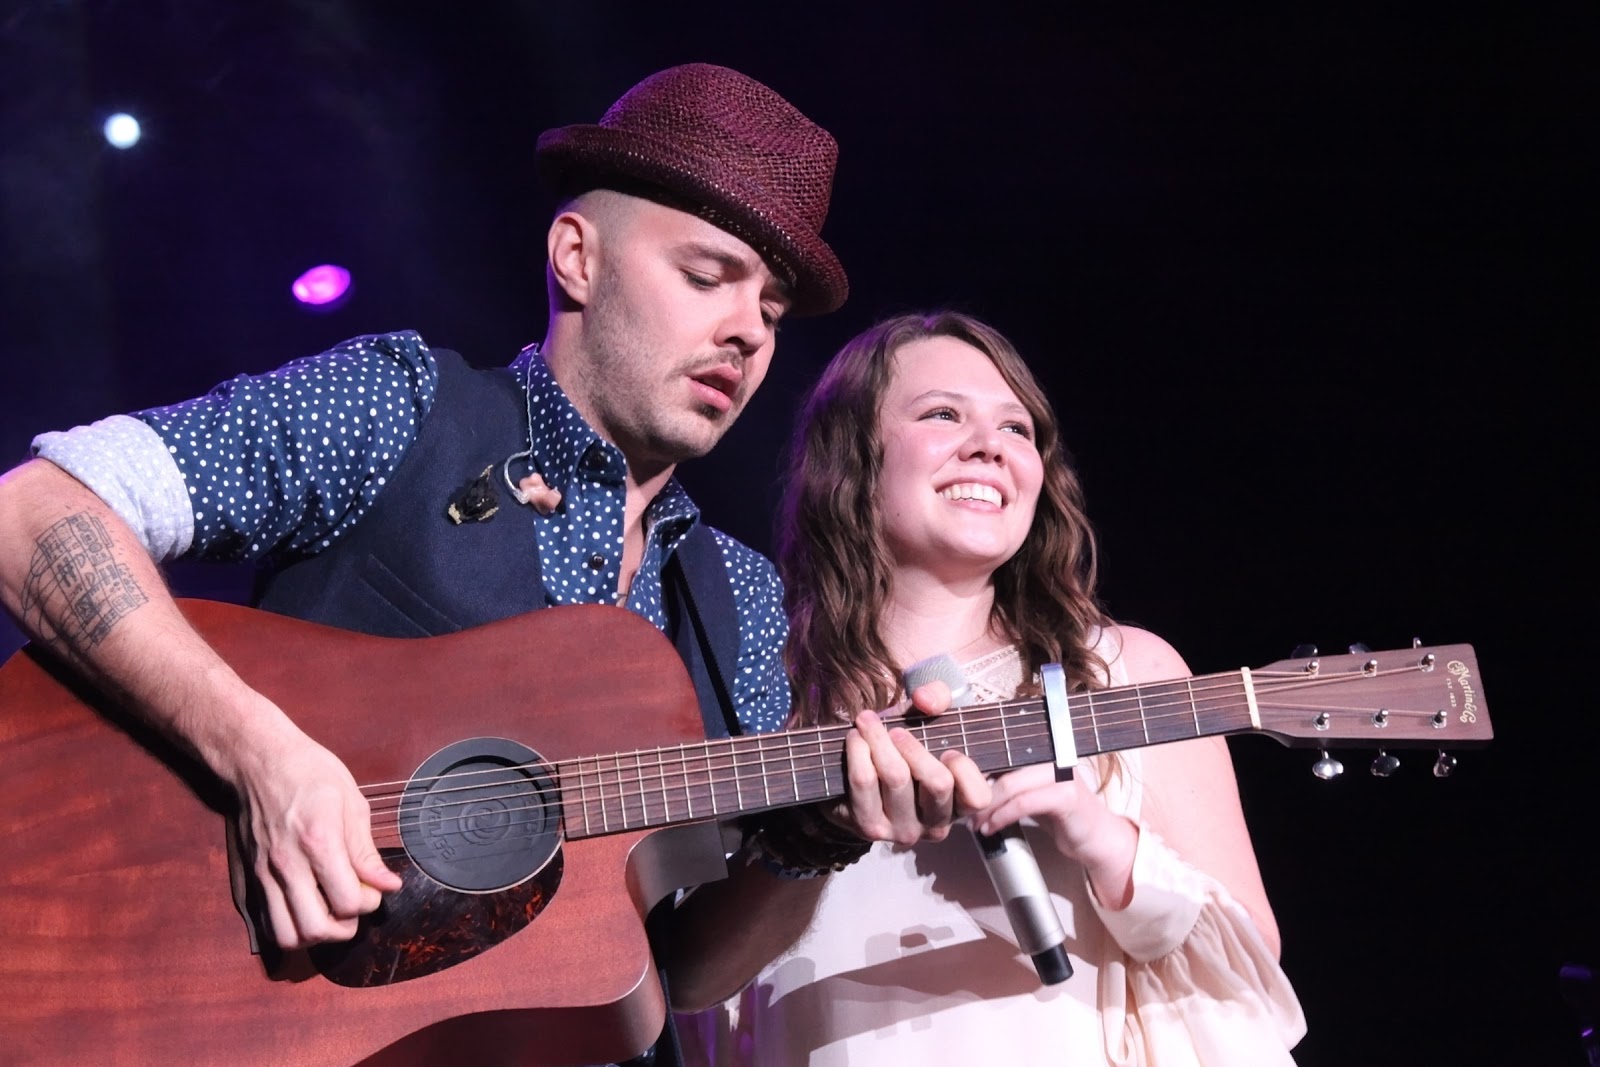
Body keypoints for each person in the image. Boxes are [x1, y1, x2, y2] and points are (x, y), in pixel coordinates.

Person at [0, 64, 986, 1062]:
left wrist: (806, 844)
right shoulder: (396, 408)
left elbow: (679, 966)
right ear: (576, 257)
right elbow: (32, 512)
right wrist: (263, 754)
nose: (746, 328)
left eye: (771, 309)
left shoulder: (741, 599)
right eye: (706, 275)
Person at [678, 311, 1308, 1064]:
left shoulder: (1125, 672)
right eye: (943, 414)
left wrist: (1103, 841)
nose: (989, 446)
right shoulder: (750, 682)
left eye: (1018, 429)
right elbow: (683, 984)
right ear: (853, 454)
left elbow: (1247, 964)